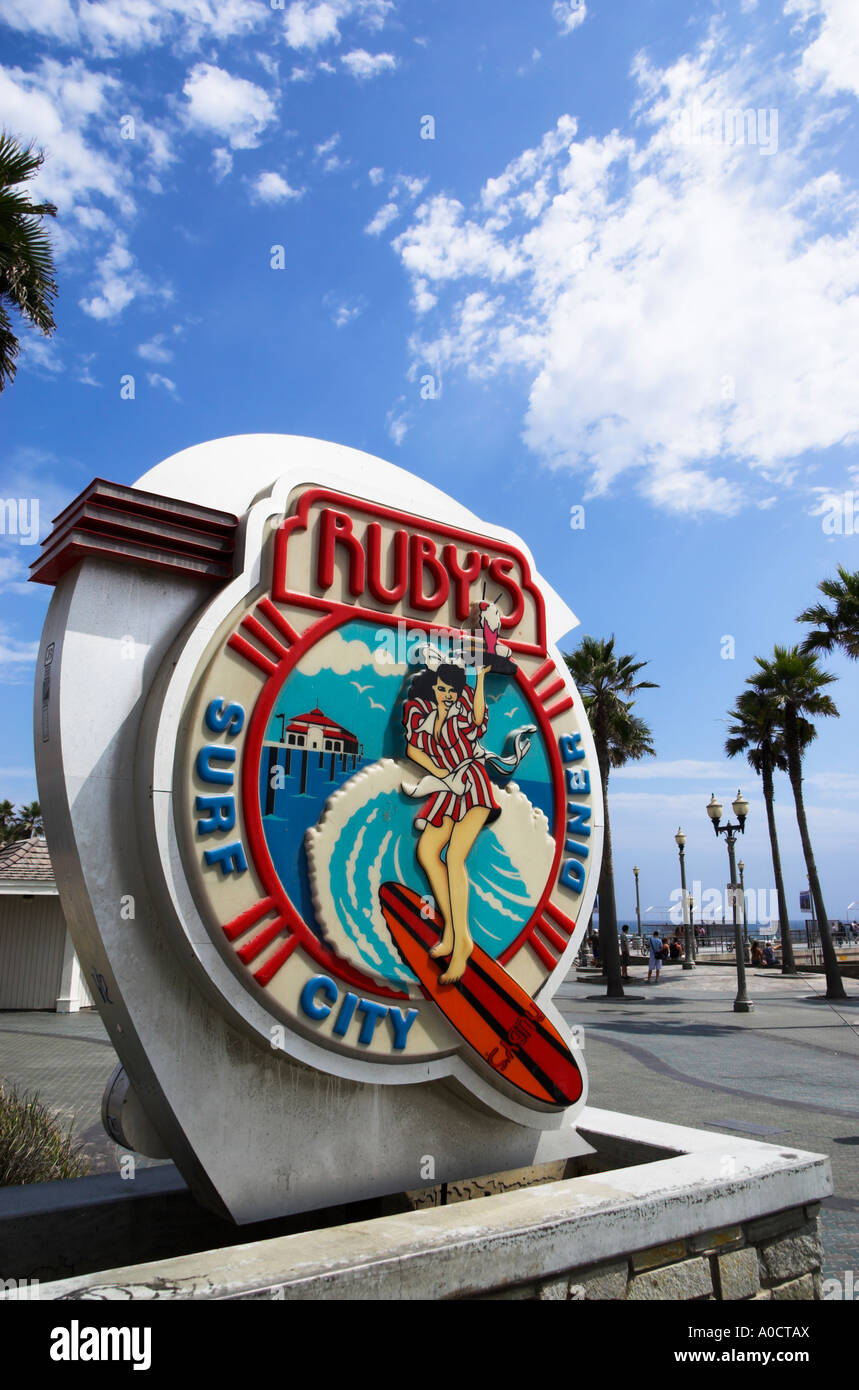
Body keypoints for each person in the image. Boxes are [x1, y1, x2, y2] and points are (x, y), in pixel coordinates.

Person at [403, 661, 497, 984]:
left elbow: (478, 717)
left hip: (473, 785)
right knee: (427, 852)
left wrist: (481, 680)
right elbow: (414, 750)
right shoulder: (426, 720)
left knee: (454, 858)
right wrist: (443, 775)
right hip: (450, 788)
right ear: (435, 688)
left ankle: (460, 950)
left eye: (452, 691)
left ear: (459, 693)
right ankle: (455, 934)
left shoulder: (461, 717)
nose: (446, 695)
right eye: (442, 689)